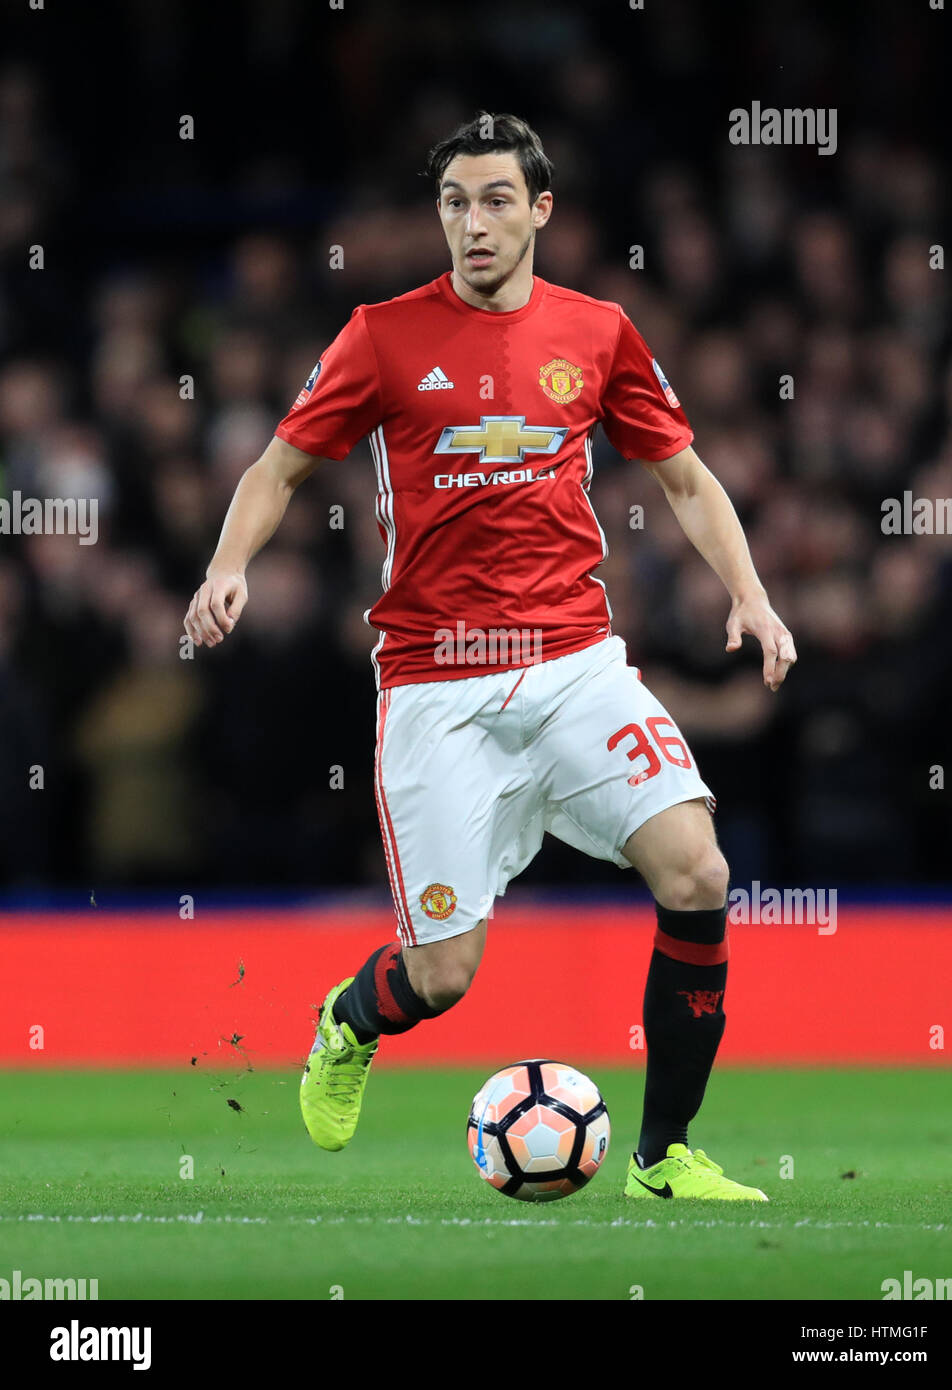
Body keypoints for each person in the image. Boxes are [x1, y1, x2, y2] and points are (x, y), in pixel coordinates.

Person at [184, 113, 797, 1201]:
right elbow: (275, 469)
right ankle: (348, 1018)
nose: (474, 223)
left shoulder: (598, 332)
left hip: (571, 661)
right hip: (433, 686)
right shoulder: (378, 335)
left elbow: (687, 481)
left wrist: (750, 597)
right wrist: (227, 566)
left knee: (698, 870)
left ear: (539, 211)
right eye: (456, 203)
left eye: (496, 201)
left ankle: (662, 1155)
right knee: (443, 976)